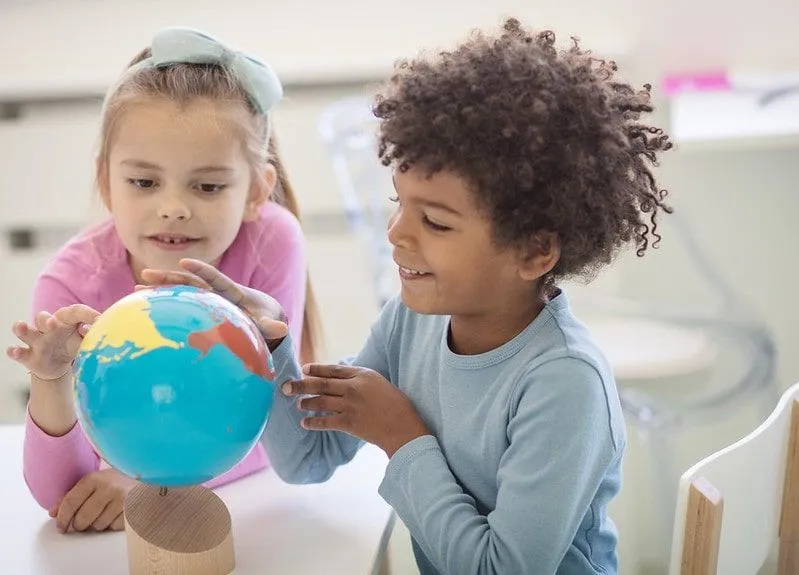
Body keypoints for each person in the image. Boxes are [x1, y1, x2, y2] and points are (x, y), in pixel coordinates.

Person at [135, 17, 674, 574]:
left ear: (535, 252)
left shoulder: (564, 384)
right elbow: (307, 457)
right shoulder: (410, 325)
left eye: (436, 223)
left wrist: (402, 437)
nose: (396, 233)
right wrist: (271, 343)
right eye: (400, 203)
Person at [6, 27, 322, 534]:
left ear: (257, 190)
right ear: (105, 184)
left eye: (209, 185)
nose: (173, 208)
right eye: (144, 182)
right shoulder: (68, 287)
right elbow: (63, 497)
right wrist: (48, 382)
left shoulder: (273, 241)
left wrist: (147, 481)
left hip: (254, 521)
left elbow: (274, 433)